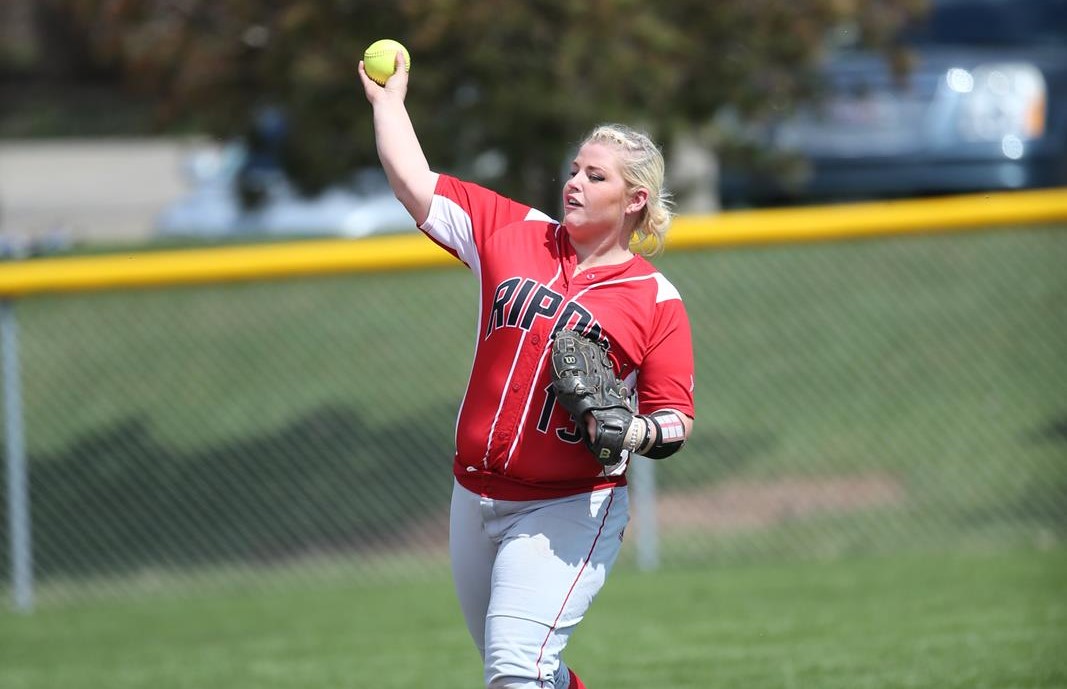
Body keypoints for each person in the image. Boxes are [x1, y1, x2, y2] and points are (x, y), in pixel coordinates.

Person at [359, 52, 695, 689]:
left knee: (515, 668)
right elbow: (414, 184)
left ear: (635, 200)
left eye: (595, 175)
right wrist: (388, 103)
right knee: (527, 668)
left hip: (567, 507)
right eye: (574, 170)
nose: (574, 183)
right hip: (473, 493)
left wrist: (635, 432)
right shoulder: (515, 231)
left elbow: (675, 418)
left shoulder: (656, 300)